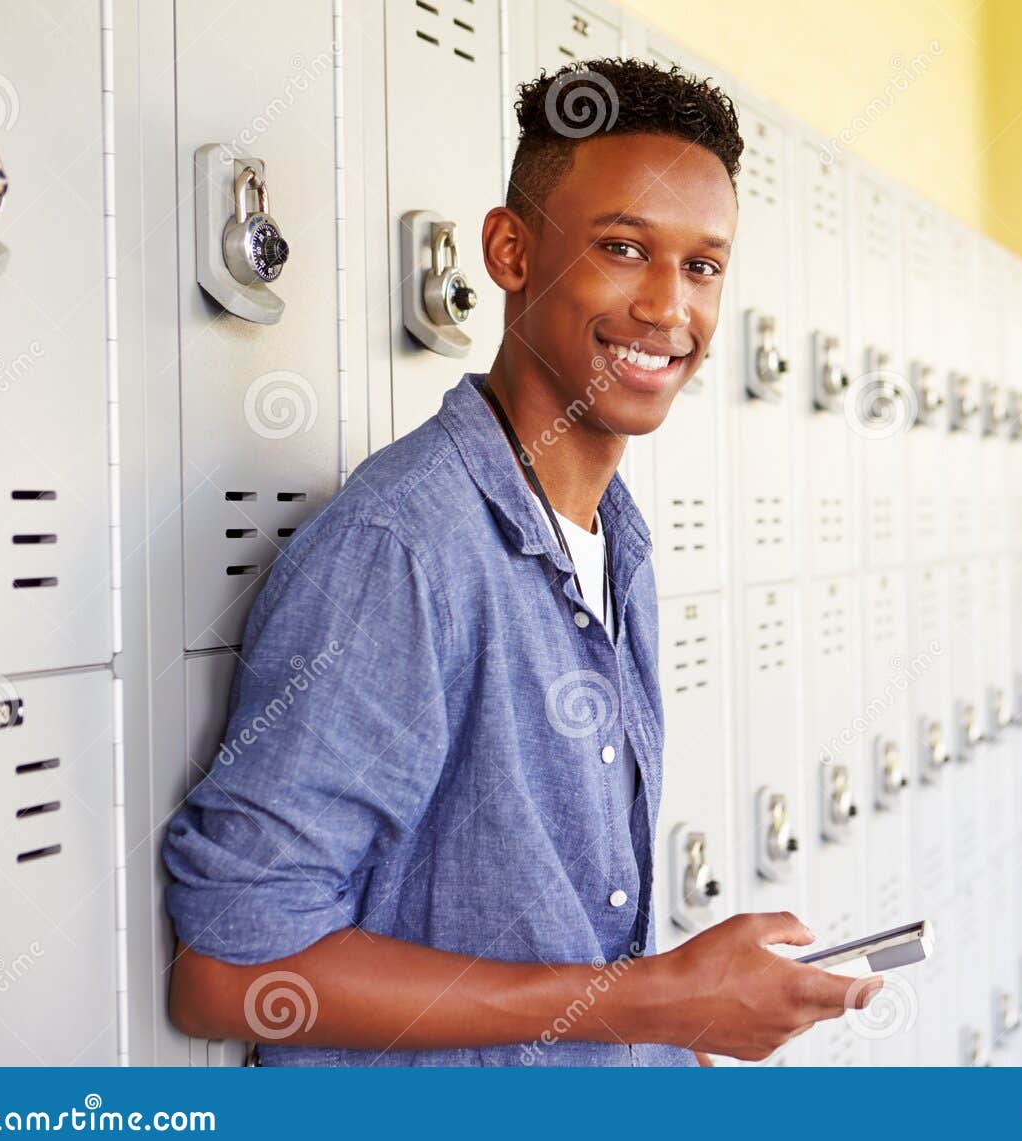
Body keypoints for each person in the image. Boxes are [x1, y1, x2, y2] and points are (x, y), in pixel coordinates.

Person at [162, 57, 879, 1066]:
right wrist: (647, 1002)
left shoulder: (612, 538)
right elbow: (233, 972)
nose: (669, 306)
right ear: (509, 250)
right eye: (622, 248)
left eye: (703, 264)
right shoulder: (404, 550)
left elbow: (576, 956)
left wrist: (675, 1022)